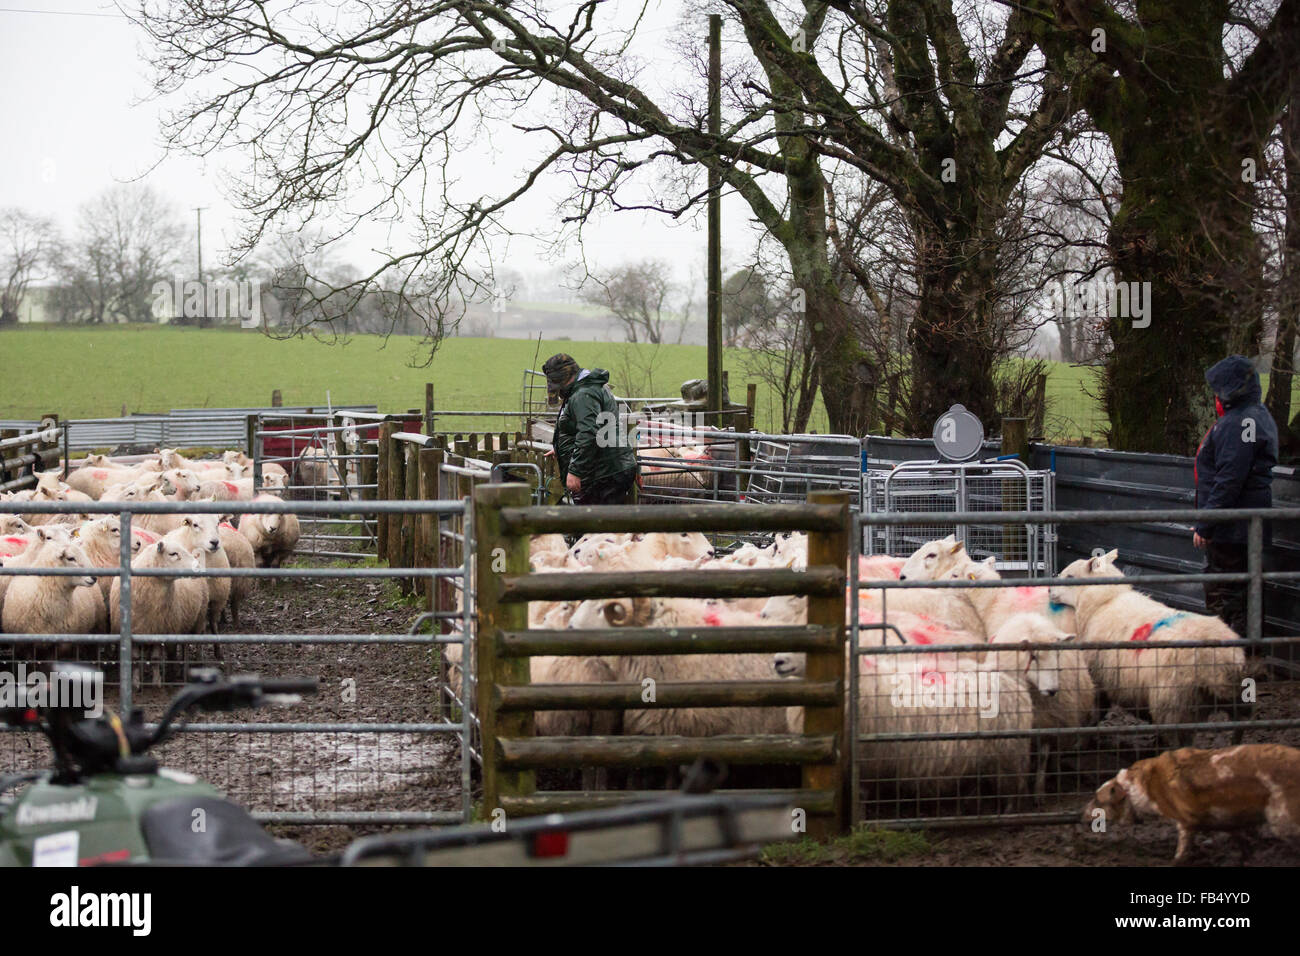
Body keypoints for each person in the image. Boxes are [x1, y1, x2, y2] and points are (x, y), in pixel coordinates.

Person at [1194, 354, 1278, 636]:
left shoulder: (1239, 422)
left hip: (1232, 529)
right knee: (1246, 590)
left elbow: (1230, 478)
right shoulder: (1257, 415)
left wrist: (1206, 522)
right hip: (1247, 526)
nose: (1216, 397)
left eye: (1219, 390)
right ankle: (1249, 659)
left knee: (1227, 592)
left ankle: (1231, 662)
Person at [543, 353, 639, 505]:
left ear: (564, 378)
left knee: (597, 523)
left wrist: (575, 471)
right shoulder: (588, 388)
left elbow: (589, 433)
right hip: (609, 468)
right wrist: (560, 449)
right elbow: (588, 427)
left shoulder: (583, 394)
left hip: (605, 472)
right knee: (601, 522)